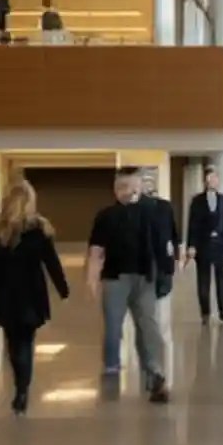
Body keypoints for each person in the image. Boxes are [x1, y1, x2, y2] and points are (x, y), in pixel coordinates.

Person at [86, 168, 181, 403]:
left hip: (145, 277)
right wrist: (91, 278)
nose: (125, 192)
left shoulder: (156, 210)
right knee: (113, 325)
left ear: (140, 186)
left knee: (147, 324)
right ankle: (111, 366)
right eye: (120, 188)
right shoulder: (106, 216)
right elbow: (96, 250)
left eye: (130, 186)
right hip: (115, 278)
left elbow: (168, 242)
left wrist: (169, 269)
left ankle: (155, 371)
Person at [0, 181, 69, 415]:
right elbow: (51, 262)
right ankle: (22, 389)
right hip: (31, 293)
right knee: (27, 341)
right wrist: (63, 290)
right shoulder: (39, 228)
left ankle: (19, 381)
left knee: (12, 341)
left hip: (4, 294)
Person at [187, 167, 223, 326]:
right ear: (205, 181)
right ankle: (205, 312)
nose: (212, 181)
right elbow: (192, 224)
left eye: (215, 178)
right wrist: (191, 245)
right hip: (203, 245)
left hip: (220, 245)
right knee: (203, 280)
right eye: (209, 179)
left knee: (222, 279)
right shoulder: (197, 201)